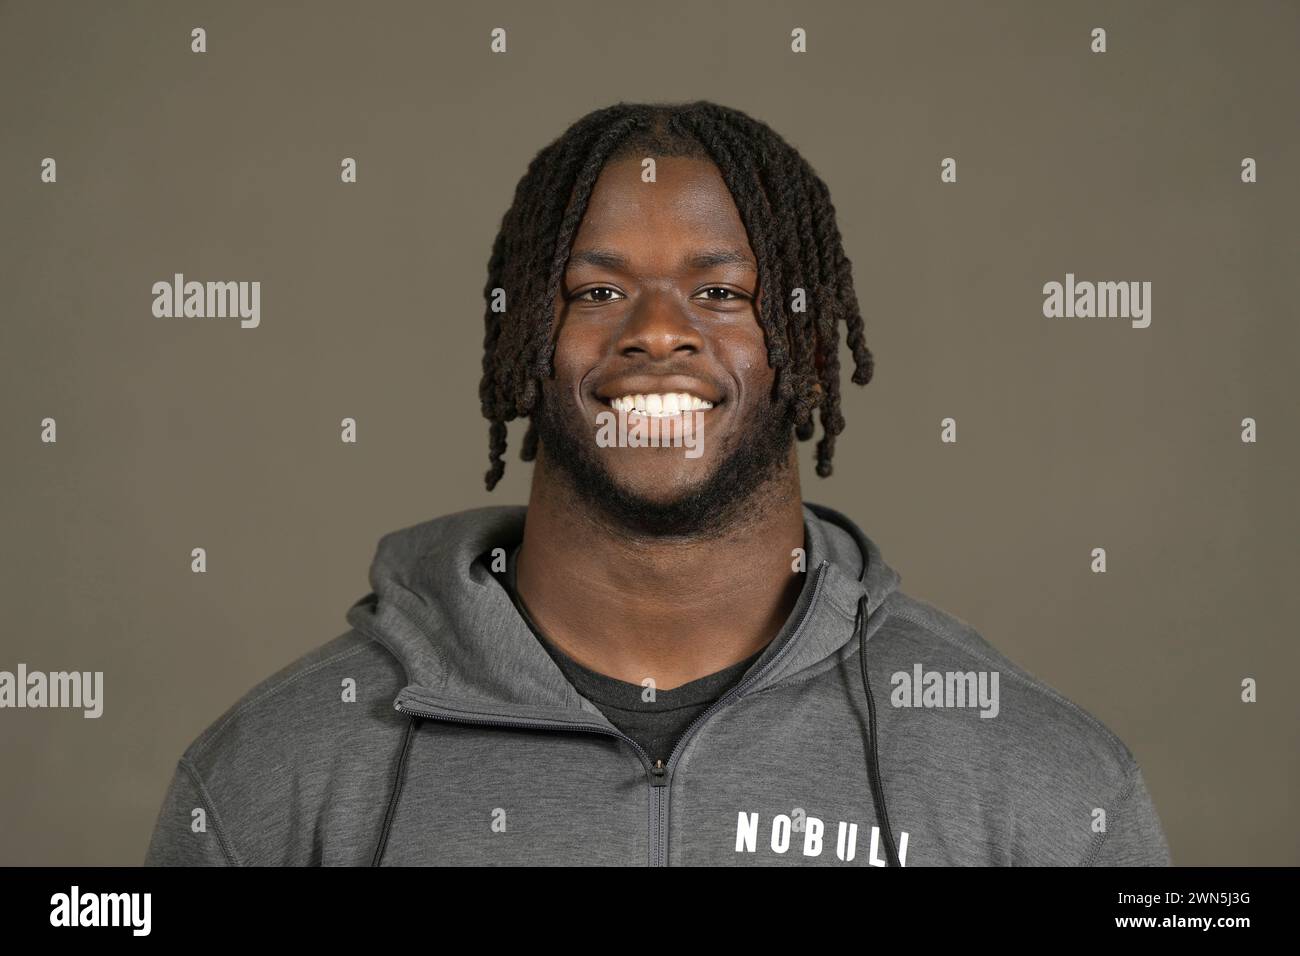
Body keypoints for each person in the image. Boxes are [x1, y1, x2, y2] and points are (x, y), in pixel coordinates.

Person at [145, 101, 1170, 866]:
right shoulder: (276, 772)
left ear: (807, 346)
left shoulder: (1043, 782)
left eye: (720, 291)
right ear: (522, 342)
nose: (656, 330)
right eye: (596, 289)